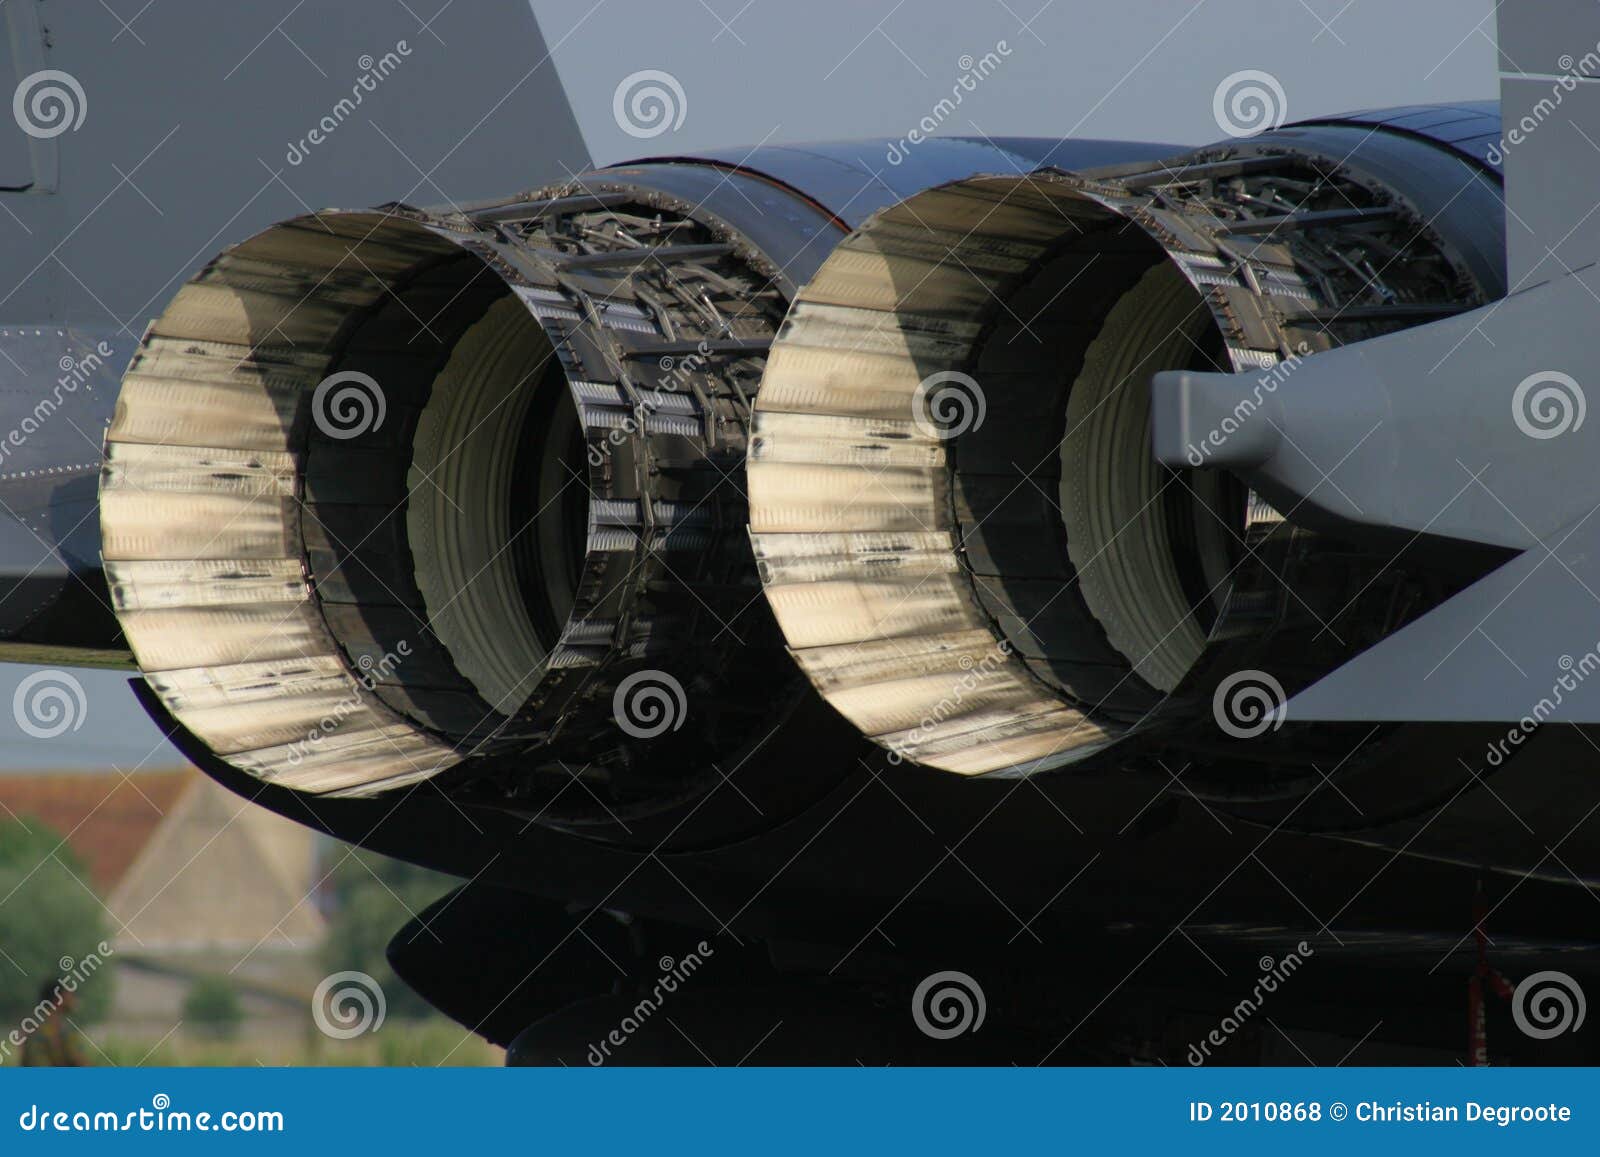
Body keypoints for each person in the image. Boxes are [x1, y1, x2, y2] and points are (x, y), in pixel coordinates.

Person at [20, 981, 87, 1067]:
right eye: (68, 994)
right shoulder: (39, 1032)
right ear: (58, 998)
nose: (73, 998)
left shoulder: (60, 1028)